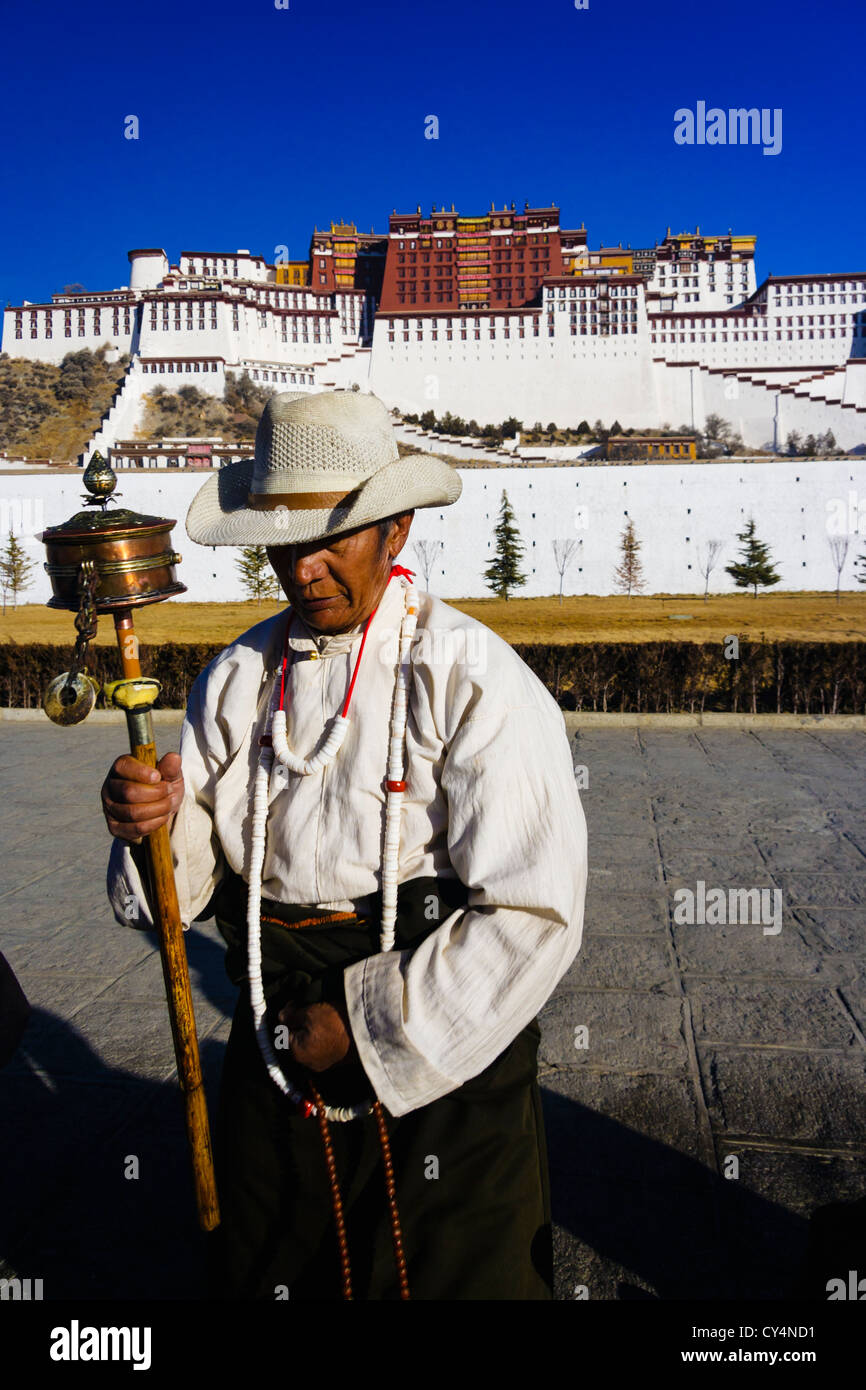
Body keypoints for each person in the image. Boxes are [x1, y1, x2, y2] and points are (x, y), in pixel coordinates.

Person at [102, 390, 588, 1300]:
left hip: (435, 1020)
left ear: (395, 531)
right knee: (274, 1263)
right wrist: (154, 826)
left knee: (447, 1274)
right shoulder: (238, 679)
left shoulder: (471, 676)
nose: (307, 567)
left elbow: (532, 908)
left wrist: (366, 1028)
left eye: (336, 538)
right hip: (273, 1004)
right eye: (288, 542)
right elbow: (193, 883)